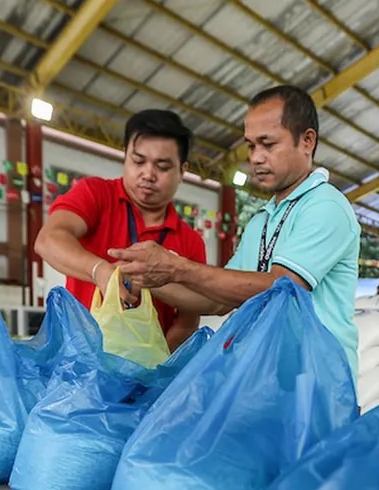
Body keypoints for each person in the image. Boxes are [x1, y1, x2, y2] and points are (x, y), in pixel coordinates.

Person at [108, 85, 361, 378]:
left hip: (319, 388)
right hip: (270, 384)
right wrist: (147, 275)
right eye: (251, 145)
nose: (255, 158)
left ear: (307, 141)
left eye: (268, 144)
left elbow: (283, 287)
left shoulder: (326, 206)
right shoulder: (261, 221)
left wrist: (177, 267)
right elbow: (217, 300)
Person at [35, 109, 207, 351]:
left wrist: (153, 370)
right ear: (125, 156)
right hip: (79, 363)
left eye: (163, 166)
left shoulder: (190, 241)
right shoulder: (94, 195)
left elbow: (188, 321)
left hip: (148, 376)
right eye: (138, 161)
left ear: (182, 170)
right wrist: (99, 271)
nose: (148, 174)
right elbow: (49, 240)